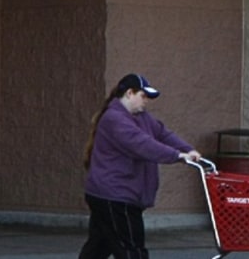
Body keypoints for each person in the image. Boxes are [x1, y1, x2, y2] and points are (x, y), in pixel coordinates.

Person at [79, 73, 202, 259]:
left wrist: (187, 149)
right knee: (132, 250)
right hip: (116, 195)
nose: (146, 101)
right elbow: (142, 144)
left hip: (107, 194)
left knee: (98, 247)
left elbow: (163, 134)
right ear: (129, 93)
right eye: (143, 96)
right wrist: (177, 155)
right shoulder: (114, 119)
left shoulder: (142, 117)